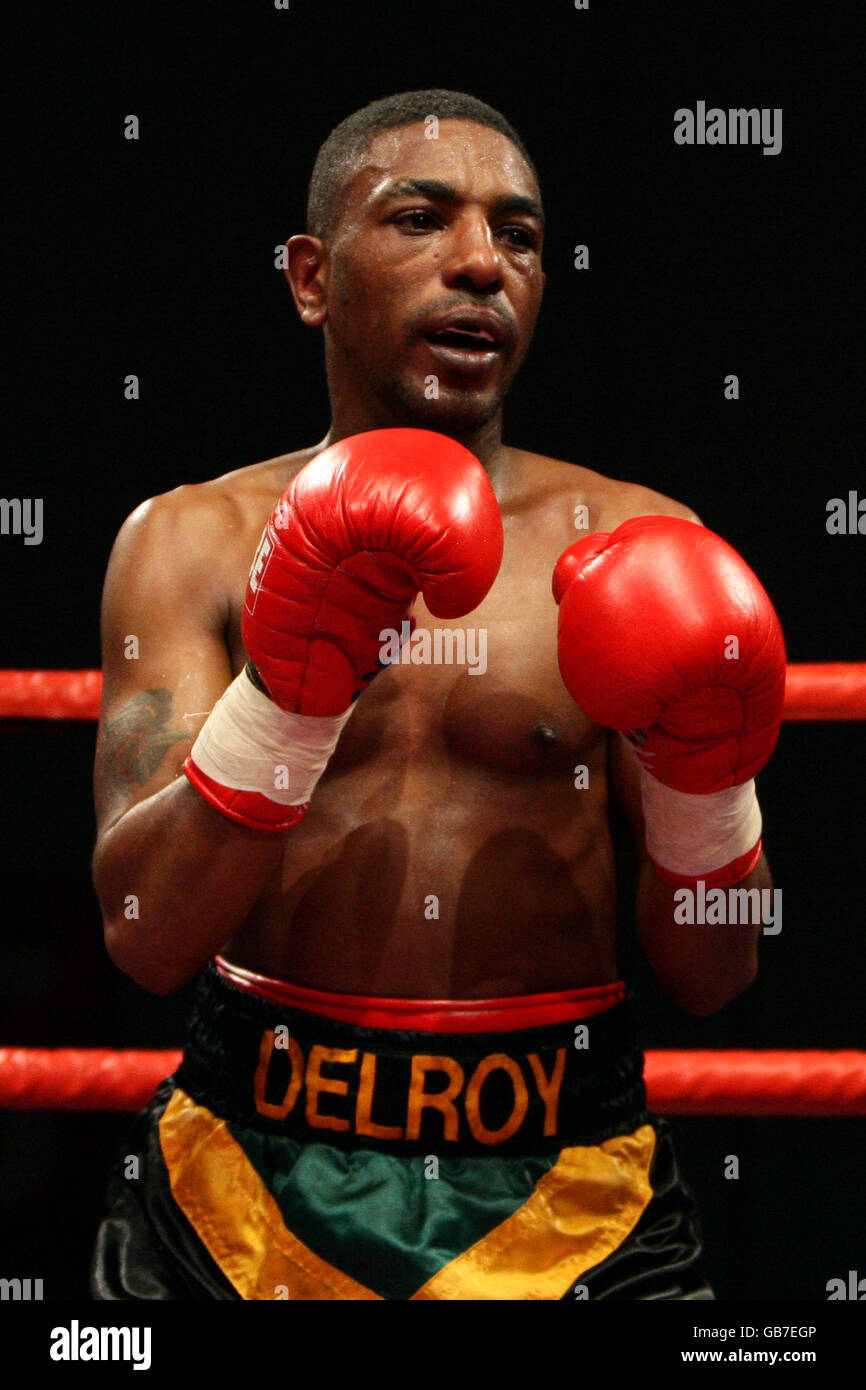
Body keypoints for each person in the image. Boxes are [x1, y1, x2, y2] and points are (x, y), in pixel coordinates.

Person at [90, 89, 785, 1301]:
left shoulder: (636, 539)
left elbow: (717, 975)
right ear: (309, 277)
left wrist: (703, 789)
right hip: (242, 1185)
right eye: (422, 218)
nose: (481, 263)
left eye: (518, 235)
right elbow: (145, 937)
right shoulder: (190, 540)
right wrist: (289, 697)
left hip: (568, 1187)